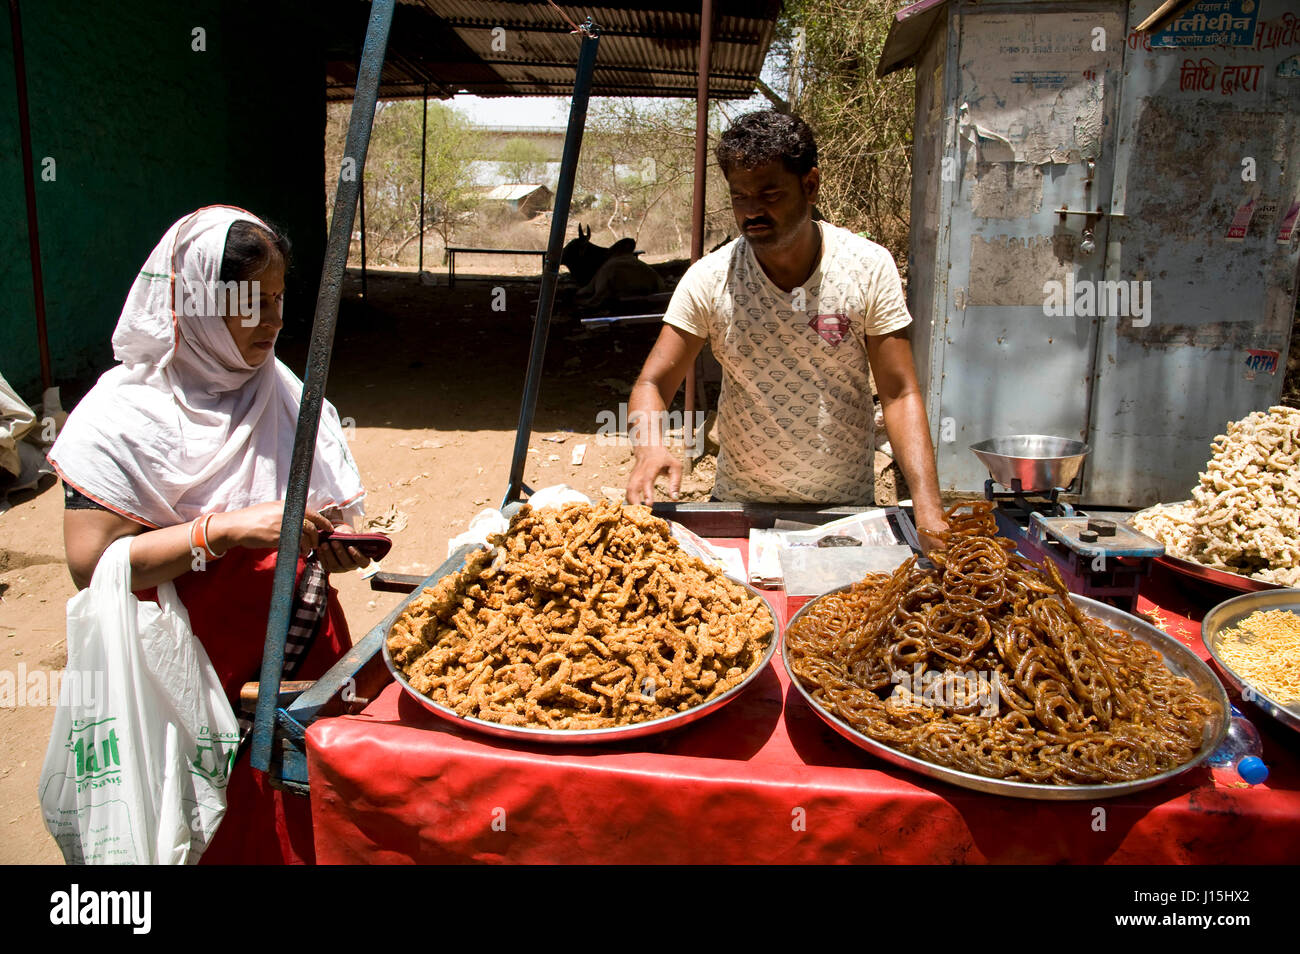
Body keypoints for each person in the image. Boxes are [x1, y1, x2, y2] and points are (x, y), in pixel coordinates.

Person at [48, 205, 367, 863]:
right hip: (189, 682)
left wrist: (330, 546)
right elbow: (91, 564)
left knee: (301, 833)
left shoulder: (280, 394)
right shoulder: (119, 418)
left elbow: (318, 519)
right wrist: (218, 532)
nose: (274, 320)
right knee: (212, 839)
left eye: (279, 299)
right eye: (252, 301)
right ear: (195, 300)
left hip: (299, 658)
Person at [625, 110, 947, 546]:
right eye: (740, 197)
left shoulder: (868, 268)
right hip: (740, 512)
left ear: (810, 185)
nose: (752, 210)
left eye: (769, 194)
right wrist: (650, 446)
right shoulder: (710, 278)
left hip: (844, 515)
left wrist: (927, 508)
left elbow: (899, 392)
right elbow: (653, 382)